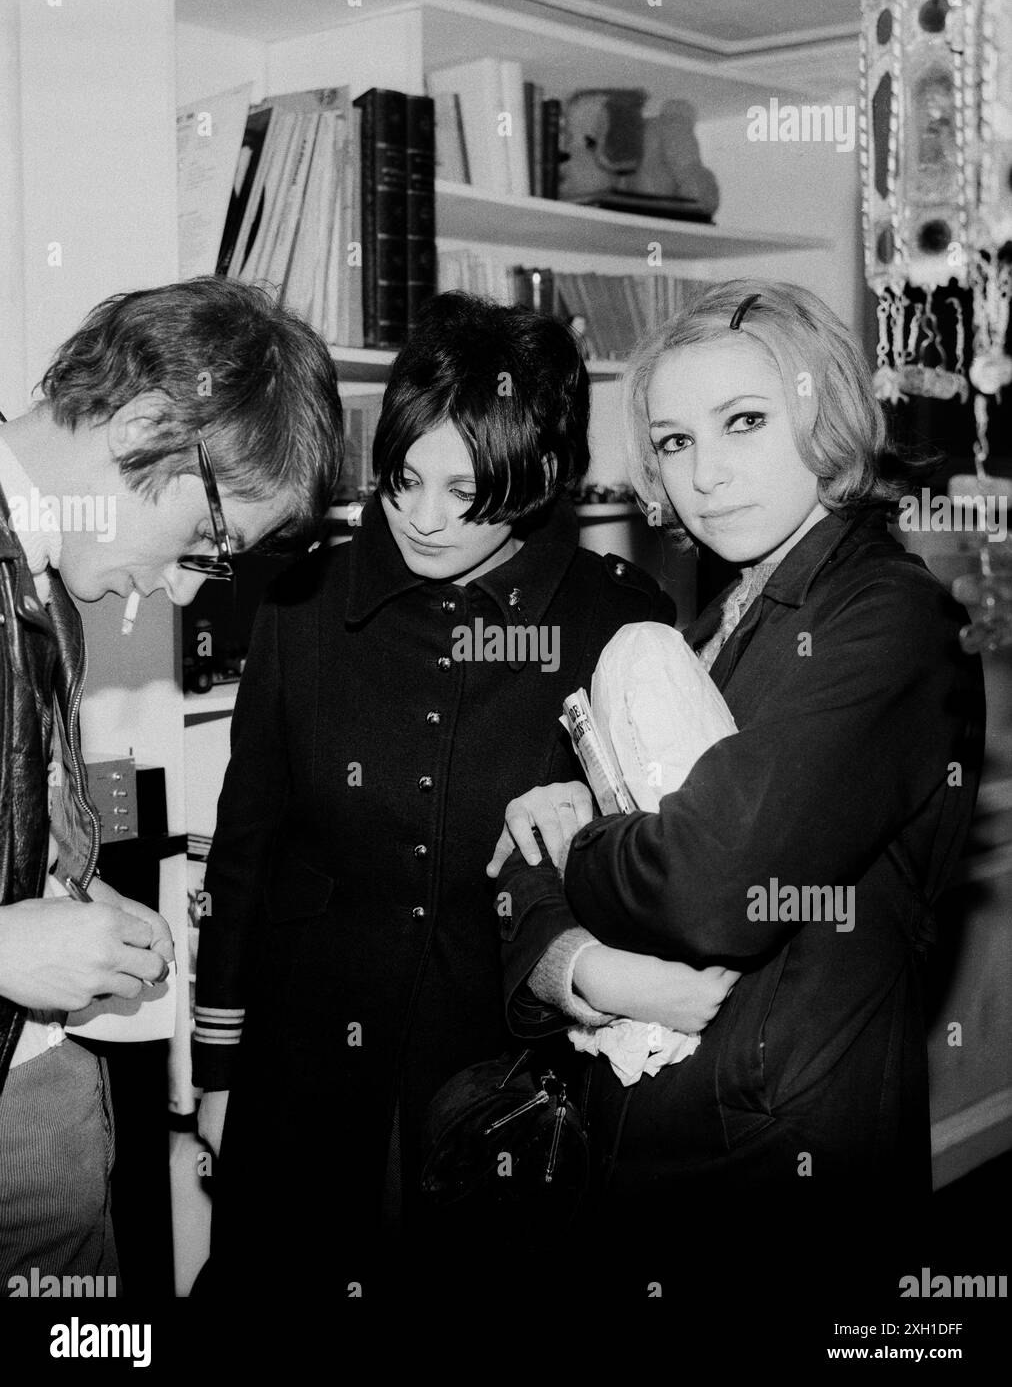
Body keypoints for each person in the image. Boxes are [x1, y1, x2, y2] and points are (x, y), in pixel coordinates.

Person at [192, 291, 737, 1300]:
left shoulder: (617, 618)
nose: (423, 519)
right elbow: (245, 847)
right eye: (403, 480)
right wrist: (217, 1070)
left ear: (536, 483)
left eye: (466, 491)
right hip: (303, 1066)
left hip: (501, 1079)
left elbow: (658, 869)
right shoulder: (302, 603)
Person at [491, 279, 986, 1296]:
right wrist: (580, 950)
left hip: (778, 1166)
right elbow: (524, 874)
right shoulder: (720, 615)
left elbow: (713, 882)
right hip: (674, 1146)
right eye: (673, 442)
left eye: (743, 422)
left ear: (825, 414)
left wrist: (586, 835)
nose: (706, 474)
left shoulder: (886, 619)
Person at [0, 275, 343, 1293]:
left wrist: (56, 897)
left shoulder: (41, 579)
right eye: (208, 541)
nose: (190, 587)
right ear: (149, 421)